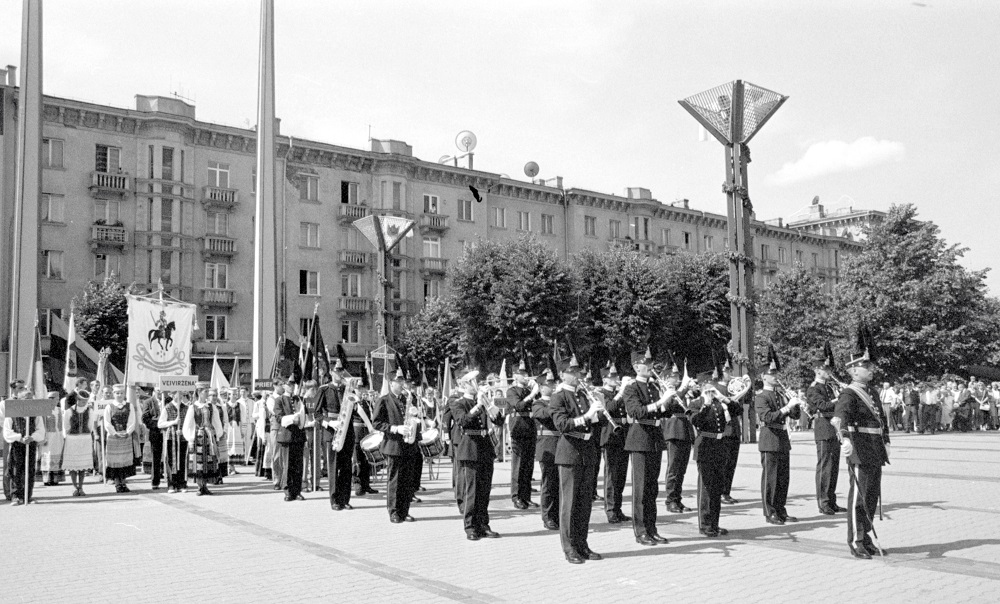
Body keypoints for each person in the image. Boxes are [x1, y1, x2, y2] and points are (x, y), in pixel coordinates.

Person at [833, 327, 890, 560]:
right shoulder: (850, 393)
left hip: (874, 449)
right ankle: (856, 540)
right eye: (866, 367)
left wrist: (886, 441)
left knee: (871, 497)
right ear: (854, 370)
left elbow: (881, 419)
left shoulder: (872, 392)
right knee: (859, 497)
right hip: (860, 448)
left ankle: (866, 537)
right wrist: (844, 438)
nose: (871, 369)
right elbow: (839, 417)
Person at [550, 355, 606, 564]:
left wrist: (600, 411)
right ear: (562, 374)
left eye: (578, 371)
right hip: (570, 453)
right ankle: (569, 547)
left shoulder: (583, 395)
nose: (577, 375)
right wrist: (588, 415)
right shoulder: (558, 397)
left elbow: (595, 423)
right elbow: (562, 425)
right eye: (572, 372)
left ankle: (582, 543)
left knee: (584, 503)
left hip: (587, 451)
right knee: (569, 503)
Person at [623, 348, 671, 547]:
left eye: (651, 363)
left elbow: (663, 413)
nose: (651, 366)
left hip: (654, 438)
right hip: (640, 438)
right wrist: (660, 402)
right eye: (647, 363)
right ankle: (641, 530)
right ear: (636, 366)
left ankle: (652, 528)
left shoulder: (653, 386)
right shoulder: (631, 388)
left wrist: (669, 399)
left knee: (652, 488)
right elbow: (636, 411)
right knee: (641, 489)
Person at [689, 368, 743, 537]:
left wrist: (724, 398)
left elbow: (738, 411)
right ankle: (705, 525)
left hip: (720, 447)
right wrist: (705, 404)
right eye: (706, 384)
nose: (710, 387)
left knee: (717, 488)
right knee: (706, 488)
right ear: (700, 386)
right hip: (705, 446)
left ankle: (714, 523)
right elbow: (697, 421)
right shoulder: (696, 403)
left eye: (711, 384)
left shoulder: (720, 403)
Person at [451, 372, 504, 540]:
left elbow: (499, 421)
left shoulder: (483, 401)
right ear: (463, 385)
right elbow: (463, 421)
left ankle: (483, 524)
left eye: (475, 381)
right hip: (470, 448)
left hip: (485, 448)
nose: (475, 384)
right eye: (471, 382)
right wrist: (478, 406)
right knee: (471, 490)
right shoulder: (458, 403)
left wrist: (491, 407)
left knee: (484, 490)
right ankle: (470, 526)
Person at [755, 346, 802, 525]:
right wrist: (787, 407)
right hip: (769, 439)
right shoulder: (761, 396)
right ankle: (770, 512)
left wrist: (794, 404)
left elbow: (795, 416)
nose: (776, 376)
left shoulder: (781, 395)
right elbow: (767, 417)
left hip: (782, 439)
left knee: (783, 479)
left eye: (776, 373)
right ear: (763, 376)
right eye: (772, 373)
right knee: (771, 479)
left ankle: (781, 509)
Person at [373, 368, 422, 523]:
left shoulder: (408, 399)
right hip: (394, 444)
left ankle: (404, 510)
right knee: (394, 480)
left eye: (402, 381)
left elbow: (415, 419)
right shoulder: (384, 400)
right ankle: (393, 511)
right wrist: (395, 428)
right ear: (391, 383)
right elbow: (376, 423)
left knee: (407, 480)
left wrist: (416, 416)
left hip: (409, 444)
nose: (402, 384)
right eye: (398, 381)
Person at [805, 345, 846, 516]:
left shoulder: (829, 387)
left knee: (834, 467)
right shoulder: (814, 388)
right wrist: (839, 398)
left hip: (834, 428)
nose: (829, 372)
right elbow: (822, 405)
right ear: (817, 370)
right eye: (826, 369)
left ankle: (831, 500)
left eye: (829, 369)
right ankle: (823, 502)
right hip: (823, 428)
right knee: (824, 467)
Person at [316, 368, 355, 510]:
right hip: (332, 431)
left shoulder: (347, 389)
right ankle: (334, 500)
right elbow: (317, 414)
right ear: (332, 372)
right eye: (337, 372)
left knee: (346, 467)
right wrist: (329, 422)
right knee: (333, 467)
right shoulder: (324, 389)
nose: (340, 374)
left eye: (341, 371)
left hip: (347, 430)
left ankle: (345, 499)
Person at [503, 360, 540, 510]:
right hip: (518, 428)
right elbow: (519, 405)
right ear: (515, 376)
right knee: (518, 465)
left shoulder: (528, 391)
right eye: (522, 374)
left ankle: (526, 496)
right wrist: (532, 394)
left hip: (530, 428)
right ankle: (516, 496)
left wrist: (536, 392)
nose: (525, 376)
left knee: (528, 465)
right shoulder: (512, 391)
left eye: (526, 374)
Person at [661, 357, 694, 513]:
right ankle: (670, 500)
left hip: (685, 430)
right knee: (673, 468)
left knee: (682, 469)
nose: (677, 377)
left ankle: (677, 499)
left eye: (677, 375)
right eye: (674, 375)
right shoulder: (666, 390)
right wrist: (684, 389)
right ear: (667, 377)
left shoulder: (680, 390)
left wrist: (693, 390)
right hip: (673, 430)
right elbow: (670, 405)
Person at [3, 385, 45, 505]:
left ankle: (27, 495)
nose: (28, 402)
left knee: (29, 470)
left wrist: (32, 437)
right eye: (26, 399)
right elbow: (7, 431)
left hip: (30, 444)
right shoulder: (12, 413)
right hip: (17, 445)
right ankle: (15, 495)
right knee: (16, 469)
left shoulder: (36, 414)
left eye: (30, 399)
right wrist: (19, 438)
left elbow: (40, 429)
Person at [599, 362, 630, 523]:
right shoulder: (601, 393)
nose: (615, 378)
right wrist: (622, 391)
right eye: (612, 376)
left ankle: (618, 508)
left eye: (616, 376)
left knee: (621, 475)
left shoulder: (620, 393)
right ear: (604, 379)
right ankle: (610, 510)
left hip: (623, 435)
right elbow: (609, 408)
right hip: (610, 436)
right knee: (611, 475)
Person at [531, 369, 560, 530]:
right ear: (542, 388)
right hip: (547, 446)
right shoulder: (538, 403)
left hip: (561, 445)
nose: (553, 385)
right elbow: (543, 415)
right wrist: (556, 403)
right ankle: (548, 516)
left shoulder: (558, 401)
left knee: (560, 484)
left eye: (553, 382)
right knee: (549, 484)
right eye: (549, 383)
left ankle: (558, 515)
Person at [183, 383, 223, 496]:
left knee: (209, 461)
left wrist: (218, 434)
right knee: (198, 461)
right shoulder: (193, 407)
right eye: (205, 392)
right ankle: (200, 486)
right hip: (198, 437)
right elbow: (187, 424)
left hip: (209, 436)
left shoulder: (211, 407)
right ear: (199, 392)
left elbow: (216, 421)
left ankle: (205, 485)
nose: (207, 394)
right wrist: (190, 438)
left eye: (207, 392)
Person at [275, 382, 308, 502]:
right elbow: (278, 417)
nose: (292, 387)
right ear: (284, 386)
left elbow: (305, 414)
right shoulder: (279, 400)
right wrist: (292, 419)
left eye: (293, 384)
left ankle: (297, 491)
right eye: (289, 384)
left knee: (298, 465)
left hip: (298, 435)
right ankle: (288, 491)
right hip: (287, 435)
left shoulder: (298, 399)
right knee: (288, 465)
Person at [104, 384, 137, 493]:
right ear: (113, 394)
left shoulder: (129, 406)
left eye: (121, 393)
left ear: (124, 394)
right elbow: (107, 422)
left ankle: (123, 482)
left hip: (125, 436)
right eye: (117, 393)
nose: (119, 395)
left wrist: (128, 432)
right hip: (113, 437)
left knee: (124, 461)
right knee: (115, 461)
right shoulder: (109, 406)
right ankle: (117, 484)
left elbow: (132, 420)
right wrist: (114, 433)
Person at [62, 387, 94, 496]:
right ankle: (74, 487)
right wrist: (71, 434)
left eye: (85, 401)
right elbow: (66, 426)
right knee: (73, 465)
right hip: (72, 439)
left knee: (82, 465)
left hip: (85, 439)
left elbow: (90, 425)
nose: (84, 403)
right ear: (77, 400)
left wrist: (86, 433)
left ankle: (81, 486)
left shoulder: (90, 411)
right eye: (82, 401)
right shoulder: (69, 411)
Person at [157, 393, 189, 493]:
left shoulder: (186, 408)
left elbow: (188, 423)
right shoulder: (167, 408)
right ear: (172, 395)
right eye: (177, 394)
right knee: (171, 461)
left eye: (181, 394)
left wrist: (183, 430)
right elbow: (160, 424)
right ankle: (172, 484)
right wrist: (173, 422)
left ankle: (182, 483)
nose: (179, 396)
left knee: (182, 460)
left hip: (182, 437)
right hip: (171, 437)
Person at [38, 391, 65, 486]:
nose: (56, 401)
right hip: (48, 436)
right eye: (54, 399)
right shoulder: (44, 410)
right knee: (48, 455)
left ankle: (56, 478)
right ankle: (47, 479)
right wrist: (43, 436)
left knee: (57, 455)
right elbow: (42, 425)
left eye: (57, 399)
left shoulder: (59, 410)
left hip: (58, 436)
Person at [141, 390, 164, 489]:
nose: (160, 392)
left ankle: (172, 481)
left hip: (168, 432)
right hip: (155, 432)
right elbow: (145, 418)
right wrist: (157, 425)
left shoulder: (168, 400)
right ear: (154, 390)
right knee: (156, 457)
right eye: (158, 390)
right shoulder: (148, 402)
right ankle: (155, 482)